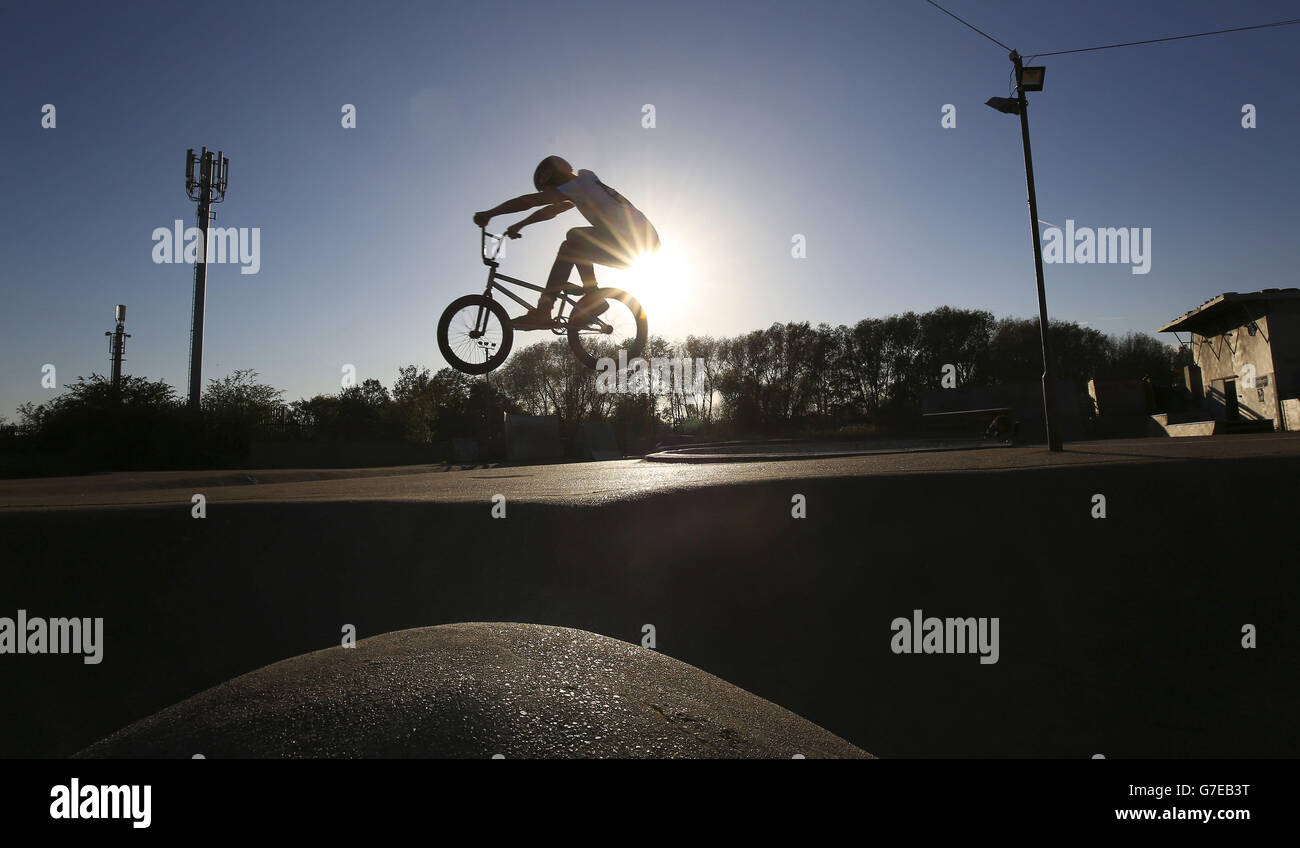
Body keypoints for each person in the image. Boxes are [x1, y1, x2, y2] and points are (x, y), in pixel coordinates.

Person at [472, 156, 660, 328]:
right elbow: (552, 210)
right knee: (574, 242)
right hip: (641, 243)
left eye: (550, 189)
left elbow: (531, 201)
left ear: (551, 178)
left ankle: (549, 309)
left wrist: (490, 213)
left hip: (634, 243)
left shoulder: (579, 186)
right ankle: (589, 295)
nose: (553, 193)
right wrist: (521, 224)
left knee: (574, 238)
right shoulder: (585, 181)